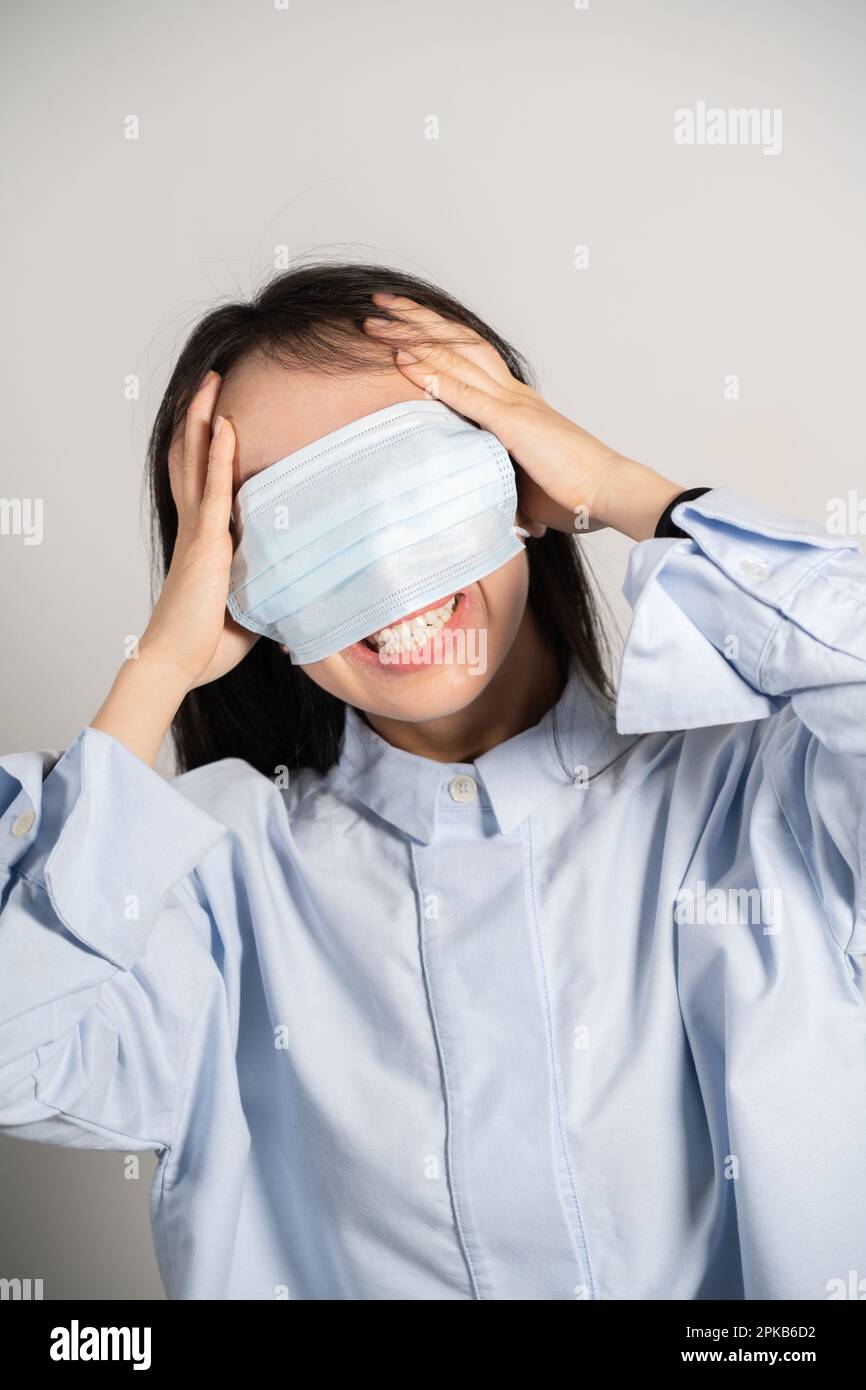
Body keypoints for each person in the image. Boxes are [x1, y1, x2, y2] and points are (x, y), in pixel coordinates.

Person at [1, 263, 864, 1301]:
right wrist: (159, 668)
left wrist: (618, 489)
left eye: (411, 482)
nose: (382, 564)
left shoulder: (772, 801)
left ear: (517, 473)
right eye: (294, 524)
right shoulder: (194, 882)